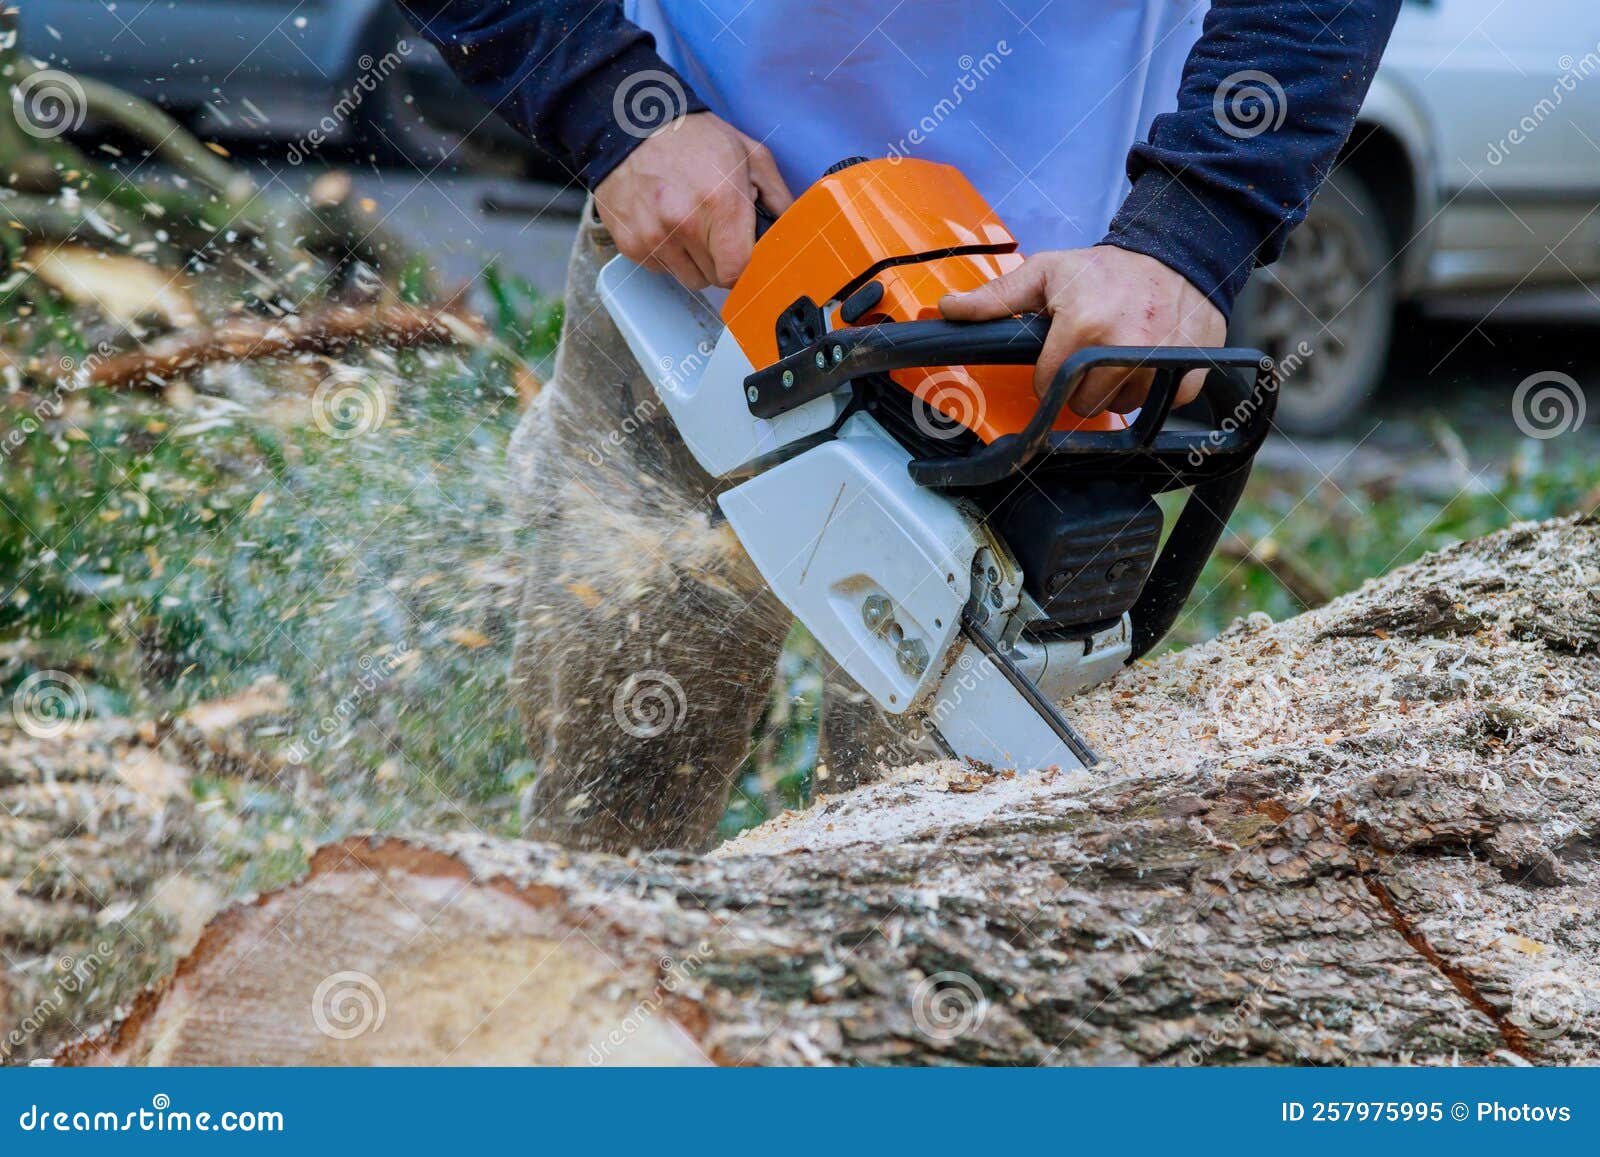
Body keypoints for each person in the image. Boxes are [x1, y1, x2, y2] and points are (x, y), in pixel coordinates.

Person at [400, 0, 1402, 853]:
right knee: (611, 774)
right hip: (693, 218)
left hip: (1053, 303)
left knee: (945, 846)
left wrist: (1193, 226)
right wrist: (607, 101)